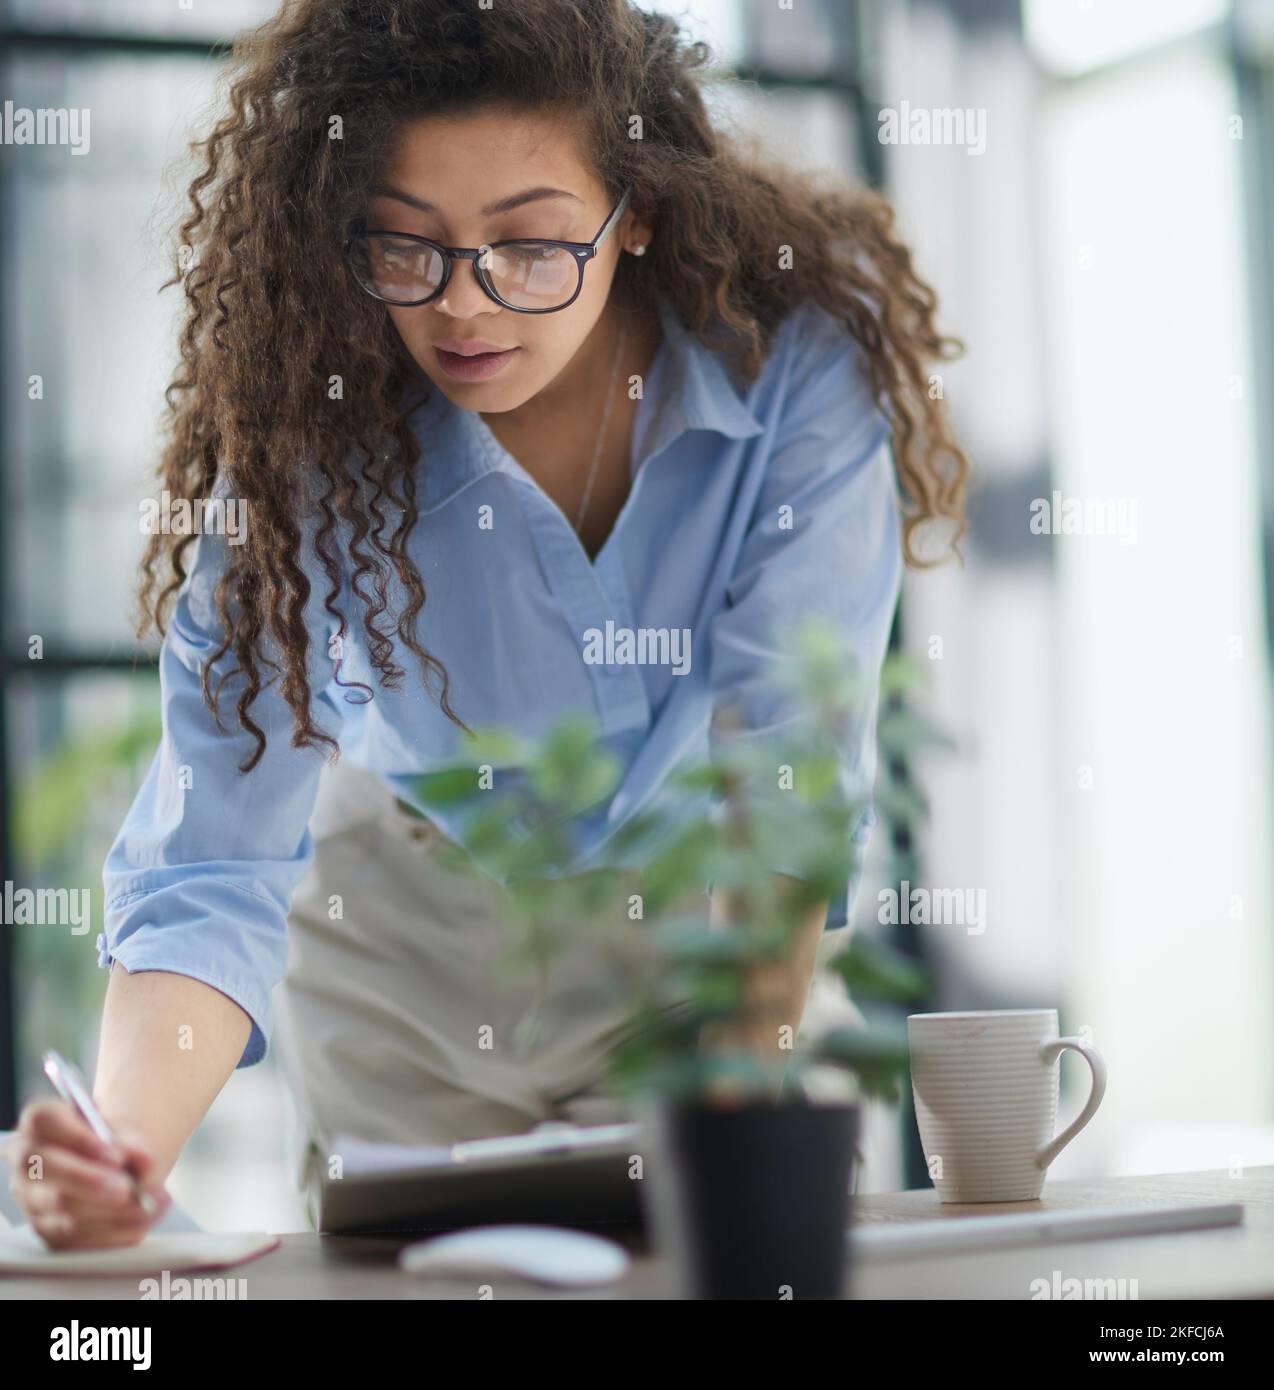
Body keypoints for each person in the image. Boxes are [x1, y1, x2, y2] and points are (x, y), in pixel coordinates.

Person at [5, 0, 967, 1248]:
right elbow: (212, 856)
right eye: (404, 246)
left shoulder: (794, 363)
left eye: (529, 247)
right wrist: (119, 1153)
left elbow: (780, 773)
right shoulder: (310, 440)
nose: (462, 307)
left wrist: (728, 1110)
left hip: (702, 937)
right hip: (405, 961)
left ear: (639, 218)